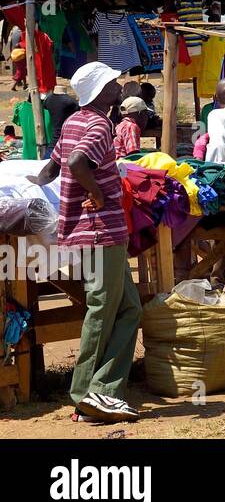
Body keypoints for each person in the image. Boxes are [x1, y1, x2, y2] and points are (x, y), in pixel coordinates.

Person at [29, 62, 142, 423]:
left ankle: (105, 388)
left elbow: (54, 166)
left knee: (129, 309)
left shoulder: (73, 122)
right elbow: (77, 161)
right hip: (99, 230)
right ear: (99, 91)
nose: (119, 86)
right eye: (112, 83)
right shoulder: (99, 123)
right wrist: (96, 193)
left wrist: (29, 181)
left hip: (92, 232)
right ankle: (85, 393)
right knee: (101, 309)